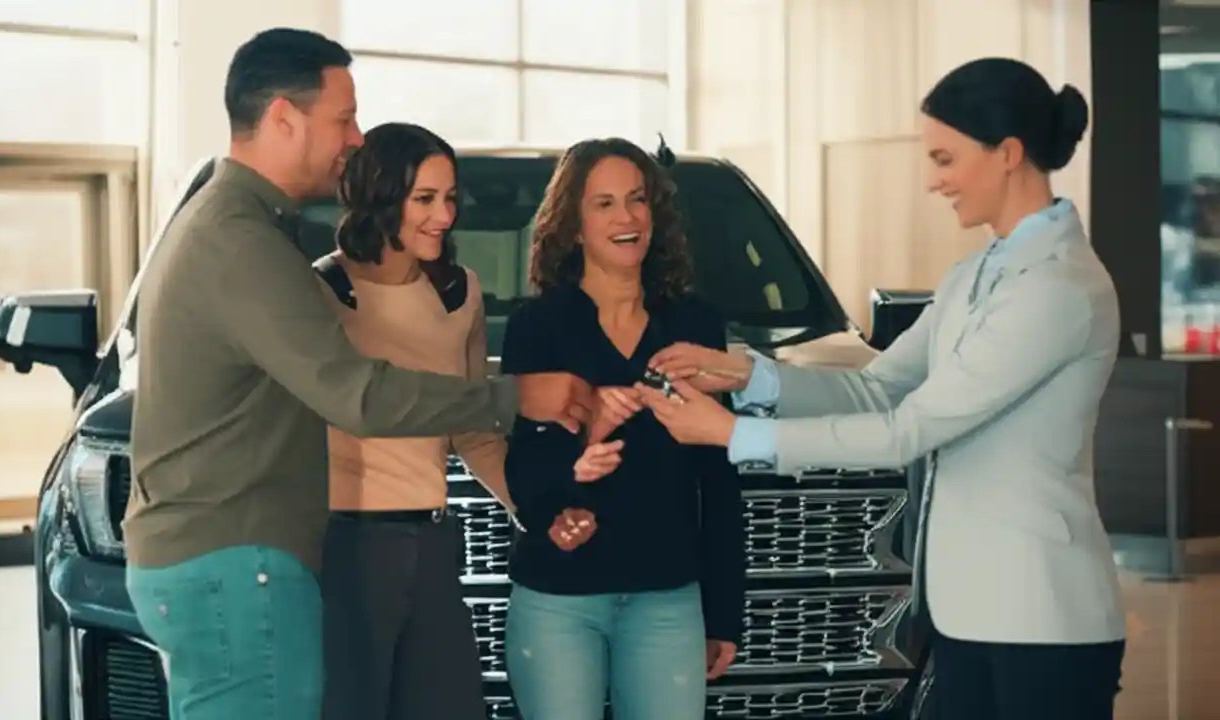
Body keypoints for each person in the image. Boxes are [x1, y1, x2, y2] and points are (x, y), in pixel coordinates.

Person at [636, 57, 1126, 720]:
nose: (933, 180)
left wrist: (734, 434)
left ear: (1007, 153)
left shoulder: (1059, 288)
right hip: (967, 614)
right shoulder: (972, 275)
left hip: (1043, 616)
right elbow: (880, 389)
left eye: (945, 159)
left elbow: (910, 430)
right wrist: (751, 374)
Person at [122, 29, 591, 720]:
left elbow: (447, 428)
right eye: (343, 118)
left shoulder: (237, 228)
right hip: (241, 564)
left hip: (253, 561)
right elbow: (358, 395)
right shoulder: (244, 244)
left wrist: (533, 503)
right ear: (284, 118)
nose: (355, 137)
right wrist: (514, 395)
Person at [498, 137, 746, 720]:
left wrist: (724, 613)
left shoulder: (694, 325)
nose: (627, 218)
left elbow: (719, 478)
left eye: (637, 199)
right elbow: (521, 469)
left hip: (667, 600)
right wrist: (574, 466)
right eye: (604, 204)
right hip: (558, 601)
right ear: (574, 225)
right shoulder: (537, 327)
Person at [313, 122, 517, 719]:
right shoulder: (321, 291)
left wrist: (538, 509)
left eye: (449, 198)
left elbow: (474, 428)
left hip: (433, 541)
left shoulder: (460, 292)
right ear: (381, 195)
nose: (444, 216)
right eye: (425, 199)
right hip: (344, 545)